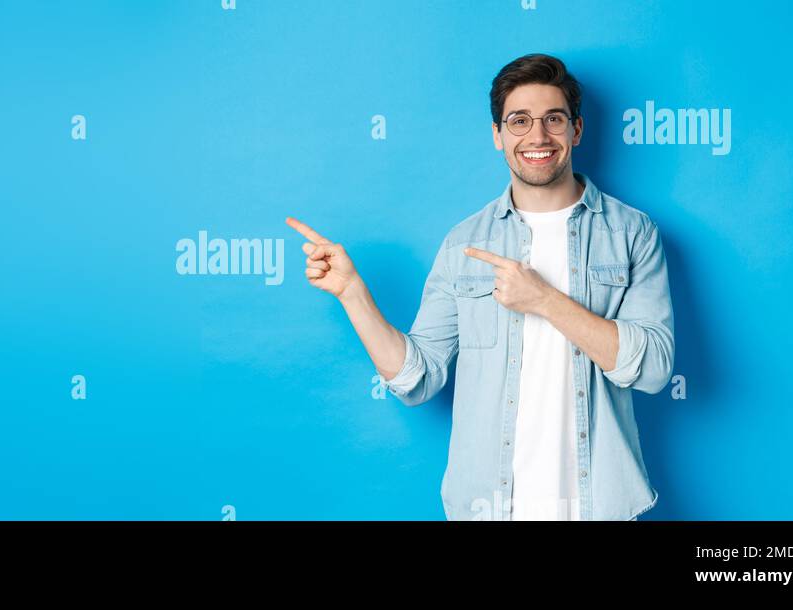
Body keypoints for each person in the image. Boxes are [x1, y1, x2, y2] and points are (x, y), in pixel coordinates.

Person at [286, 53, 674, 521]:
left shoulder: (633, 232)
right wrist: (353, 293)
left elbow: (653, 368)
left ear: (576, 130)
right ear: (497, 135)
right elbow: (417, 378)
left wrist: (546, 300)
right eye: (519, 121)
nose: (537, 136)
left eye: (553, 119)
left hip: (601, 507)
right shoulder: (464, 243)